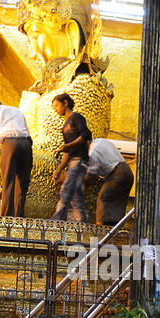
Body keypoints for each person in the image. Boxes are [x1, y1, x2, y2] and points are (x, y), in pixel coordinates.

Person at [0, 98, 33, 217]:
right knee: (22, 183)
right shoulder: (17, 110)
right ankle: (19, 217)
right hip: (26, 144)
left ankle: (7, 218)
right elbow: (27, 130)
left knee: (8, 180)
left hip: (10, 144)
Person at [51, 91, 91, 223]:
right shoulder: (64, 126)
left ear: (65, 103)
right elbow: (67, 151)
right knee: (76, 197)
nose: (55, 109)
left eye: (56, 106)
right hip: (72, 161)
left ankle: (56, 222)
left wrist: (68, 146)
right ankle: (82, 226)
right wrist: (59, 169)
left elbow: (86, 135)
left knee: (66, 190)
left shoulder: (76, 118)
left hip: (79, 160)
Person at [87, 136, 134, 226]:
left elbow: (91, 176)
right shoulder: (101, 141)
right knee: (118, 204)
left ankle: (100, 231)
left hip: (117, 174)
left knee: (103, 199)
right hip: (127, 172)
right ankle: (115, 231)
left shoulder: (92, 152)